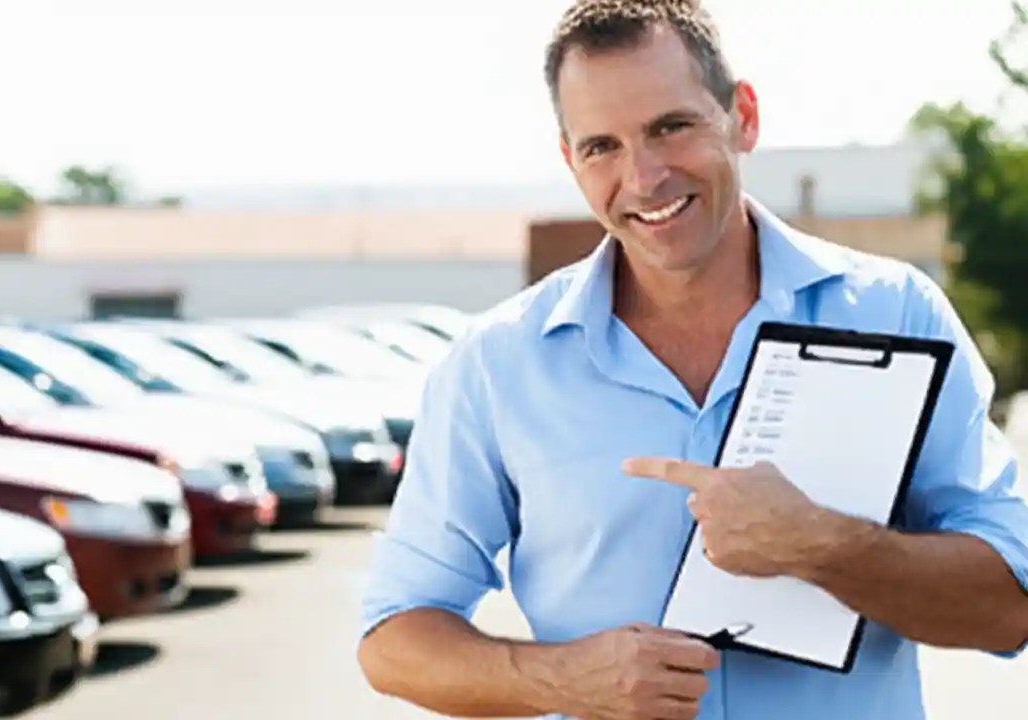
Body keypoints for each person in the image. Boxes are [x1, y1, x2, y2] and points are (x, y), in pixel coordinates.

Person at [355, 1, 1028, 719]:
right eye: (601, 147)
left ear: (743, 116)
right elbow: (393, 640)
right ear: (569, 160)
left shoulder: (896, 314)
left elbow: (1010, 606)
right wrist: (562, 678)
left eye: (671, 128)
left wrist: (823, 546)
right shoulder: (496, 365)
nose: (643, 178)